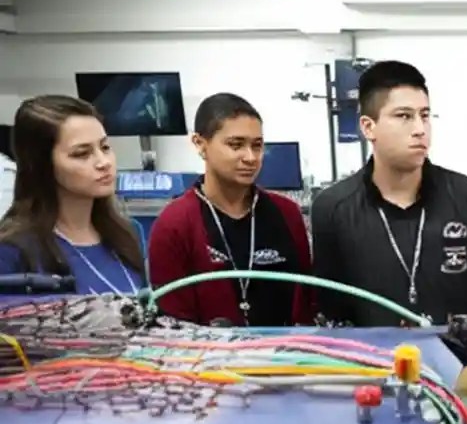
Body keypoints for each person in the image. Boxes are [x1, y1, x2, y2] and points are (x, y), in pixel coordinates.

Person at [310, 60, 467, 327]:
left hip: (457, 366)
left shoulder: (466, 197)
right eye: (404, 116)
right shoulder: (333, 208)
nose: (420, 129)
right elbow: (334, 315)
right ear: (368, 127)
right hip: (374, 365)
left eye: (424, 115)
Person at [147, 93, 312, 325]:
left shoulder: (287, 214)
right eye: (236, 145)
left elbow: (306, 299)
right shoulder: (174, 225)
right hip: (206, 358)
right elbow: (171, 322)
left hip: (288, 355)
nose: (250, 157)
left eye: (257, 146)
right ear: (200, 144)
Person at [0, 95, 144, 295]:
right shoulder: (12, 249)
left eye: (105, 147)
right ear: (42, 164)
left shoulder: (127, 233)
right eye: (81, 154)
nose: (103, 162)